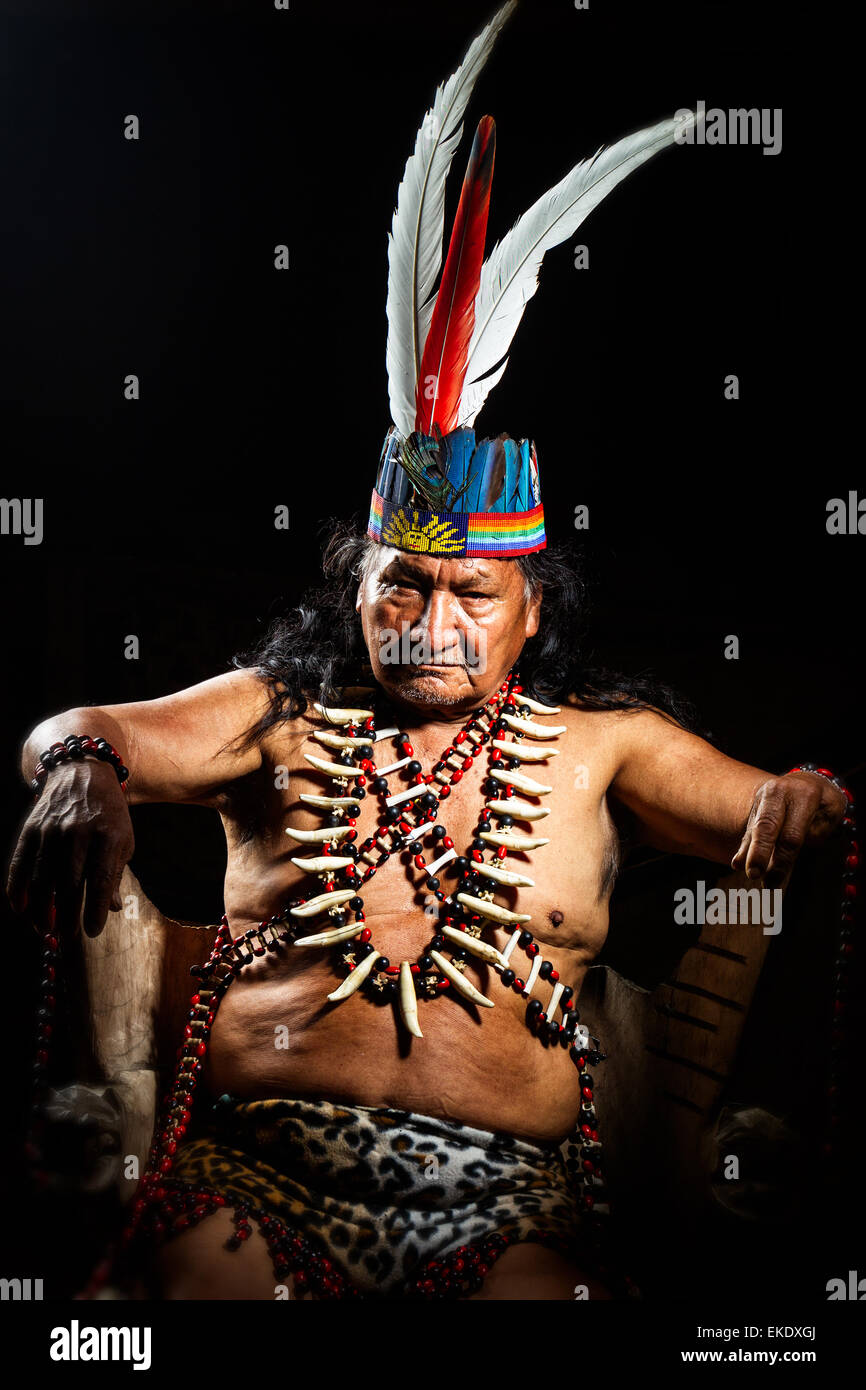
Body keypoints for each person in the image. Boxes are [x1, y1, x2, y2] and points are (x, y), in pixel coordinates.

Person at [6, 3, 848, 1301]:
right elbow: (81, 722)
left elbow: (776, 809)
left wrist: (805, 797)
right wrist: (75, 763)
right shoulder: (272, 713)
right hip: (250, 1181)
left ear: (528, 608)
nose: (433, 618)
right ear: (353, 585)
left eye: (471, 590)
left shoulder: (602, 747)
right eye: (402, 583)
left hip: (511, 1208)